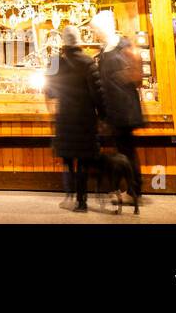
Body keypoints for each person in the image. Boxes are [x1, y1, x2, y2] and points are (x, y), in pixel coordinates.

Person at [45, 27, 103, 212]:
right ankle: (82, 201)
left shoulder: (55, 62)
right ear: (78, 41)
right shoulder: (88, 62)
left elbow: (49, 92)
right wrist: (103, 116)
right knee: (84, 161)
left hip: (65, 117)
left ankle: (69, 195)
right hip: (85, 117)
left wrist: (52, 114)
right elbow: (98, 94)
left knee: (68, 160)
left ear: (63, 42)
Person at [96, 26, 144, 197]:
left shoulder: (123, 48)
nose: (96, 33)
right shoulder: (108, 50)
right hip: (116, 109)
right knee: (124, 150)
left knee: (127, 151)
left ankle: (133, 191)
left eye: (96, 29)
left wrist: (122, 78)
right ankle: (130, 189)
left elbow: (137, 77)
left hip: (124, 109)